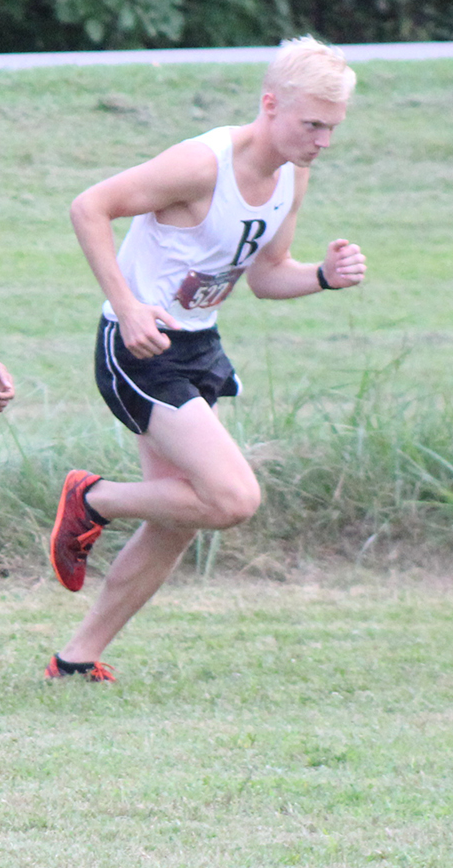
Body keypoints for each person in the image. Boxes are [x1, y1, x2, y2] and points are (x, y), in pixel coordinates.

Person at [49, 36, 363, 681]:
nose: (322, 141)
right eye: (312, 124)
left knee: (177, 517)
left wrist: (324, 277)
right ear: (271, 104)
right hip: (140, 347)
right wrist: (130, 305)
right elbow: (90, 207)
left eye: (332, 128)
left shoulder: (291, 175)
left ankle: (76, 660)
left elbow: (269, 275)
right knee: (232, 498)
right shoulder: (201, 164)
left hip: (198, 347)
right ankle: (94, 498)